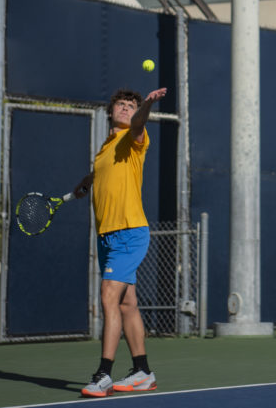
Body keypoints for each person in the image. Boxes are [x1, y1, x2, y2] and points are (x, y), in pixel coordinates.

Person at [74, 86, 167, 397]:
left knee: (108, 296)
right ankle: (142, 371)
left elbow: (140, 123)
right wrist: (88, 180)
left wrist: (148, 103)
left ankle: (103, 375)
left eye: (131, 105)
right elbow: (105, 172)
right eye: (122, 105)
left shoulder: (133, 139)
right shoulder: (106, 149)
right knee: (128, 304)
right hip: (107, 234)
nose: (127, 109)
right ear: (110, 112)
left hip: (129, 231)